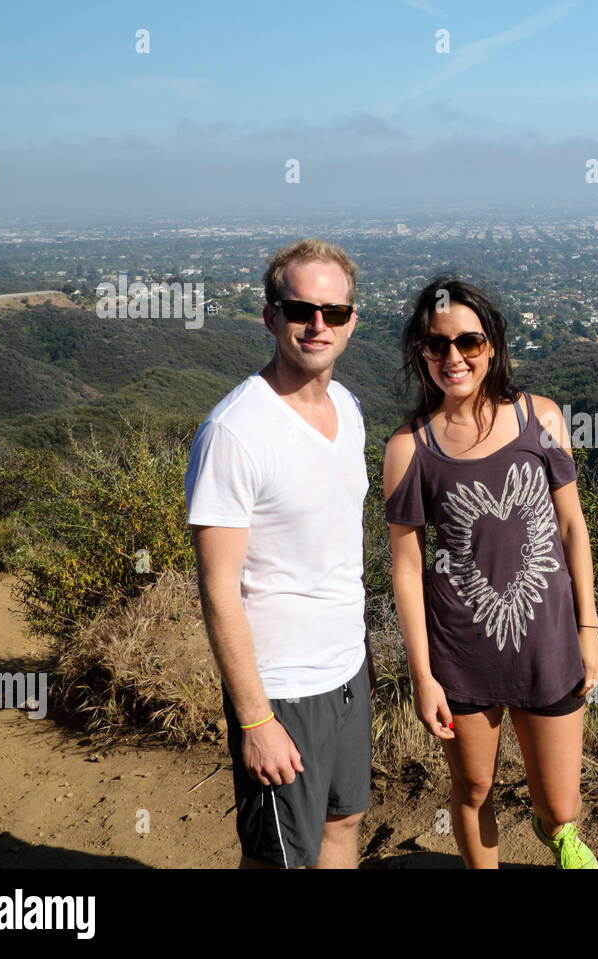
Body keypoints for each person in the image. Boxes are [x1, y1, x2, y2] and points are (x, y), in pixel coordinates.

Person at [383, 275, 598, 868]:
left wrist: (590, 631)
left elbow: (574, 528)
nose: (453, 357)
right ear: (420, 352)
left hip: (550, 644)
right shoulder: (410, 447)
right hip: (461, 653)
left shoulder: (543, 418)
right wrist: (422, 675)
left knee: (561, 804)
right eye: (436, 344)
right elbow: (407, 570)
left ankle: (554, 829)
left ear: (493, 346)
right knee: (474, 787)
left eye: (469, 342)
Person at [184, 237, 374, 869]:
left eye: (334, 312)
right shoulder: (235, 432)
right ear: (270, 316)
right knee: (279, 859)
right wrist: (254, 720)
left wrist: (359, 656)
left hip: (346, 671)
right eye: (300, 310)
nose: (318, 324)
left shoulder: (348, 409)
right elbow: (217, 588)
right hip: (283, 688)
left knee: (341, 825)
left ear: (352, 320)